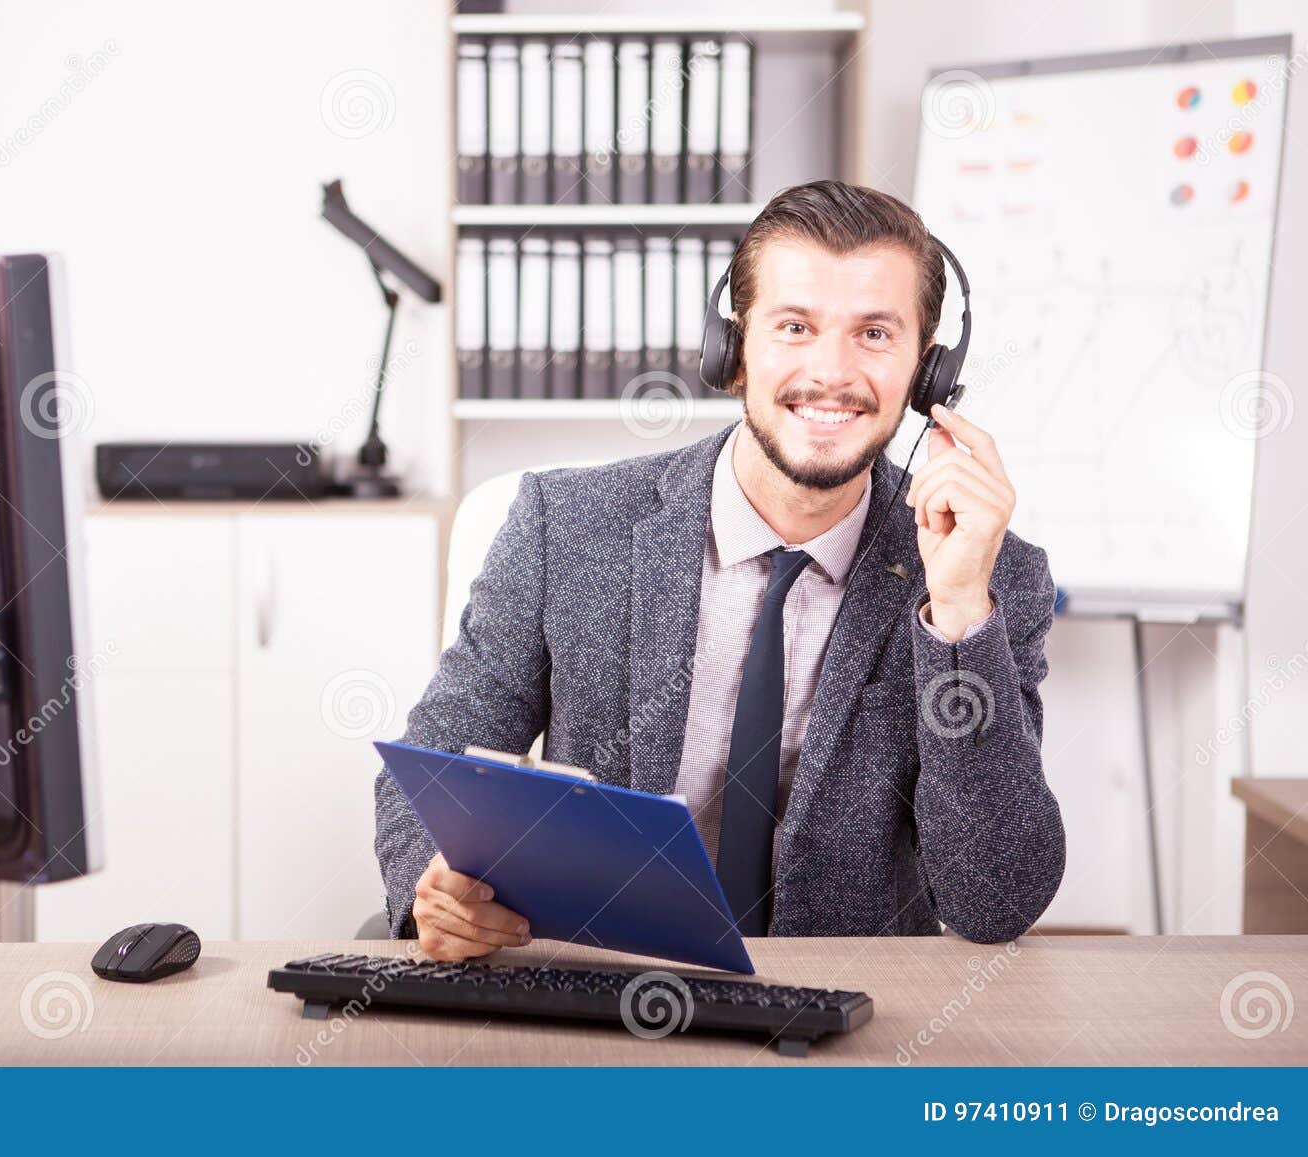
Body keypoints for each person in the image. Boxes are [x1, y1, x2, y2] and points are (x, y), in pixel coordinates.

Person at [375, 180, 1064, 959]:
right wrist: (430, 886)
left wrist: (959, 615)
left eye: (874, 333)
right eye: (795, 326)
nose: (831, 372)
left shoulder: (988, 573)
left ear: (927, 373)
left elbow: (995, 897)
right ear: (733, 352)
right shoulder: (564, 527)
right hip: (605, 994)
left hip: (849, 1020)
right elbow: (426, 771)